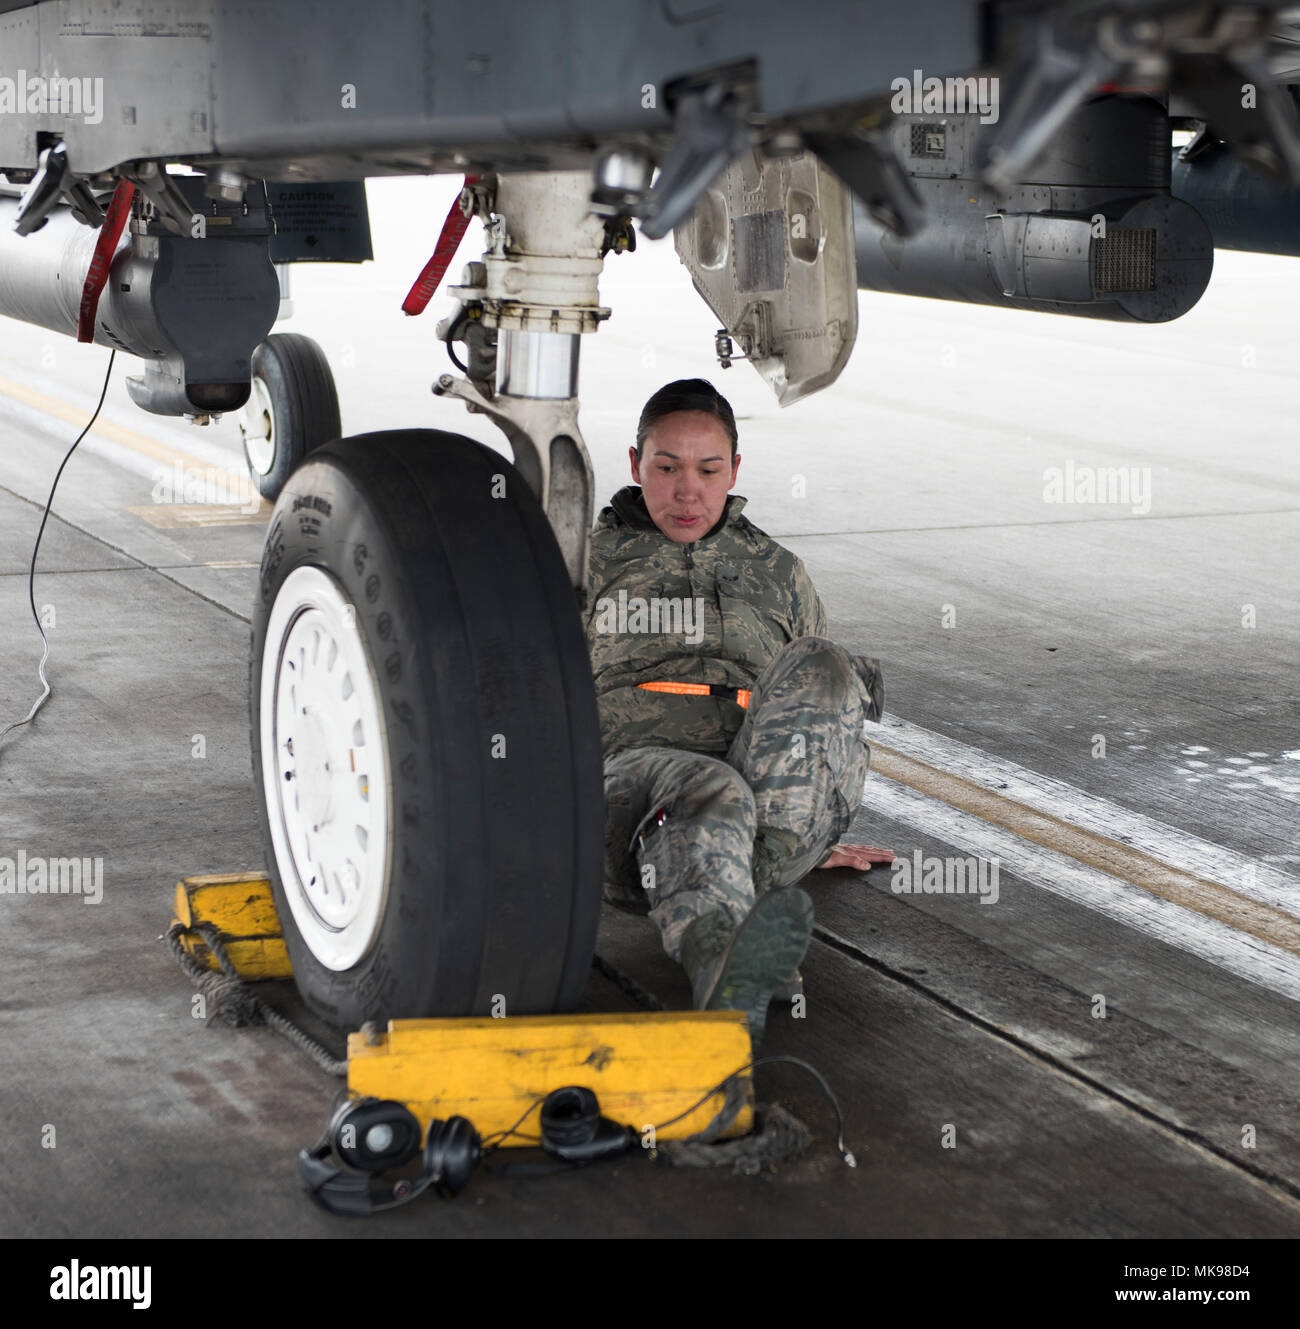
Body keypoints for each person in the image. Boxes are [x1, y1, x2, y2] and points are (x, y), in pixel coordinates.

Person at [586, 379, 892, 1045]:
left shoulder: (779, 572)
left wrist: (814, 806)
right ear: (636, 464)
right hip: (622, 800)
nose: (686, 490)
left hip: (764, 814)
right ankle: (722, 955)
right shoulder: (587, 562)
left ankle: (741, 900)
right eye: (665, 467)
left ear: (735, 471)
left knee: (824, 660)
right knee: (709, 784)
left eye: (708, 469)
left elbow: (813, 706)